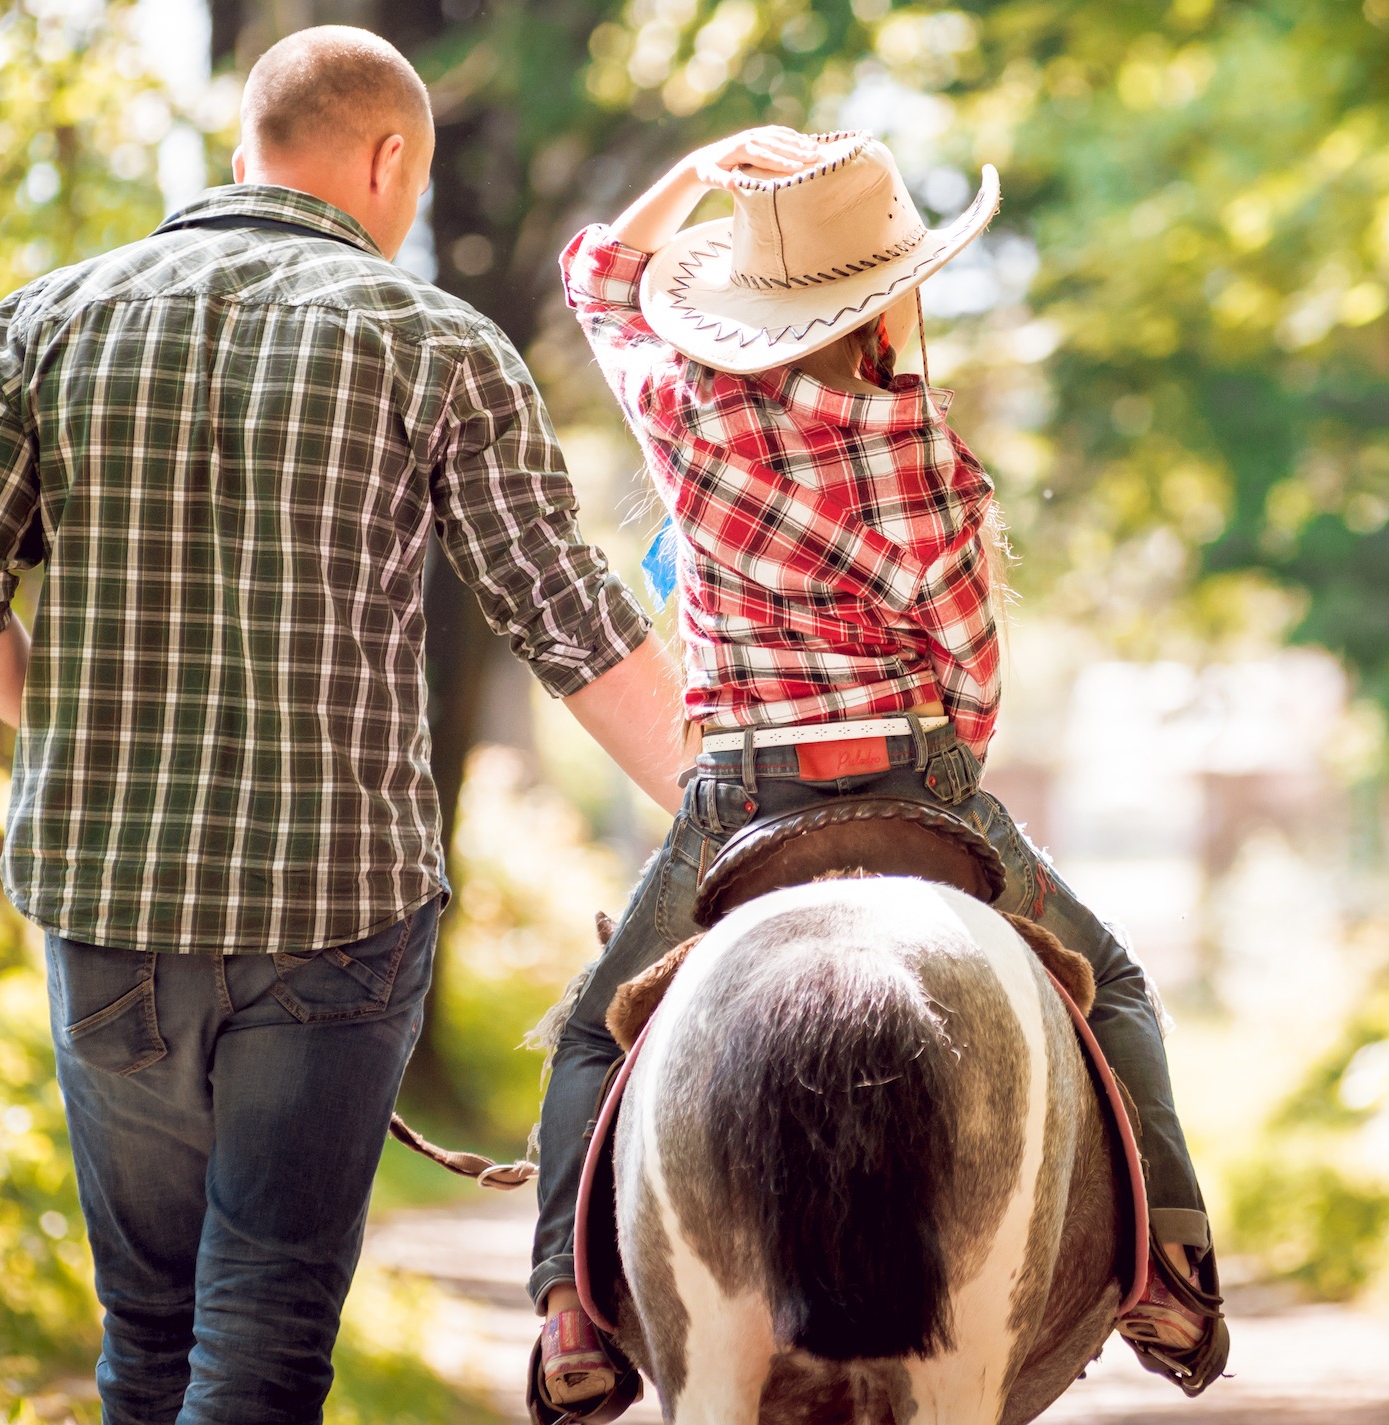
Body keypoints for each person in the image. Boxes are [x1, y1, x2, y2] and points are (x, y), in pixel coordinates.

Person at [0, 26, 687, 1425]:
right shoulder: (436, 345)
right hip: (335, 918)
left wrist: (83, 731)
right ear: (389, 162)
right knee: (259, 1344)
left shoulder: (45, 319)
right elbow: (570, 623)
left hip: (106, 904)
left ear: (246, 143)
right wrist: (727, 811)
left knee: (147, 1339)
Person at [525, 127, 1229, 1415]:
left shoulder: (685, 404)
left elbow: (600, 274)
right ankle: (1169, 1263)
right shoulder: (926, 457)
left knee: (590, 1029)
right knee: (1114, 983)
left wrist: (704, 166)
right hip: (918, 787)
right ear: (886, 298)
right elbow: (972, 687)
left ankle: (570, 1311)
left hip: (739, 798)